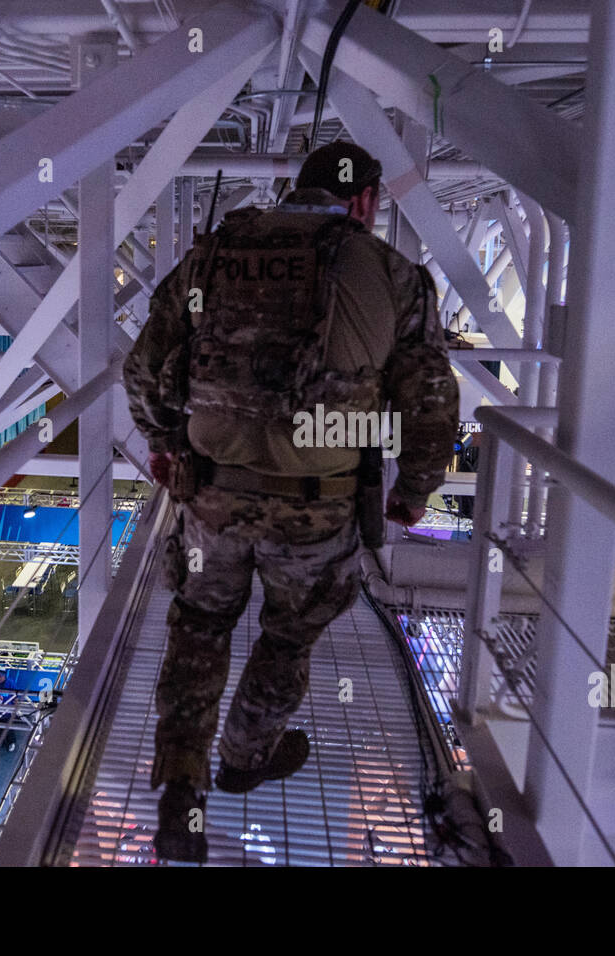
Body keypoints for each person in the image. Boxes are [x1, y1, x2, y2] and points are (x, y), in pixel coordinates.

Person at [124, 141, 459, 863]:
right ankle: (246, 757)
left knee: (199, 626)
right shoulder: (393, 276)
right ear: (365, 202)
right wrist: (413, 489)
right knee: (285, 636)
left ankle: (181, 784)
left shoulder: (214, 256)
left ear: (294, 190)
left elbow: (146, 366)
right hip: (319, 509)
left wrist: (163, 440)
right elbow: (429, 399)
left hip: (210, 496)